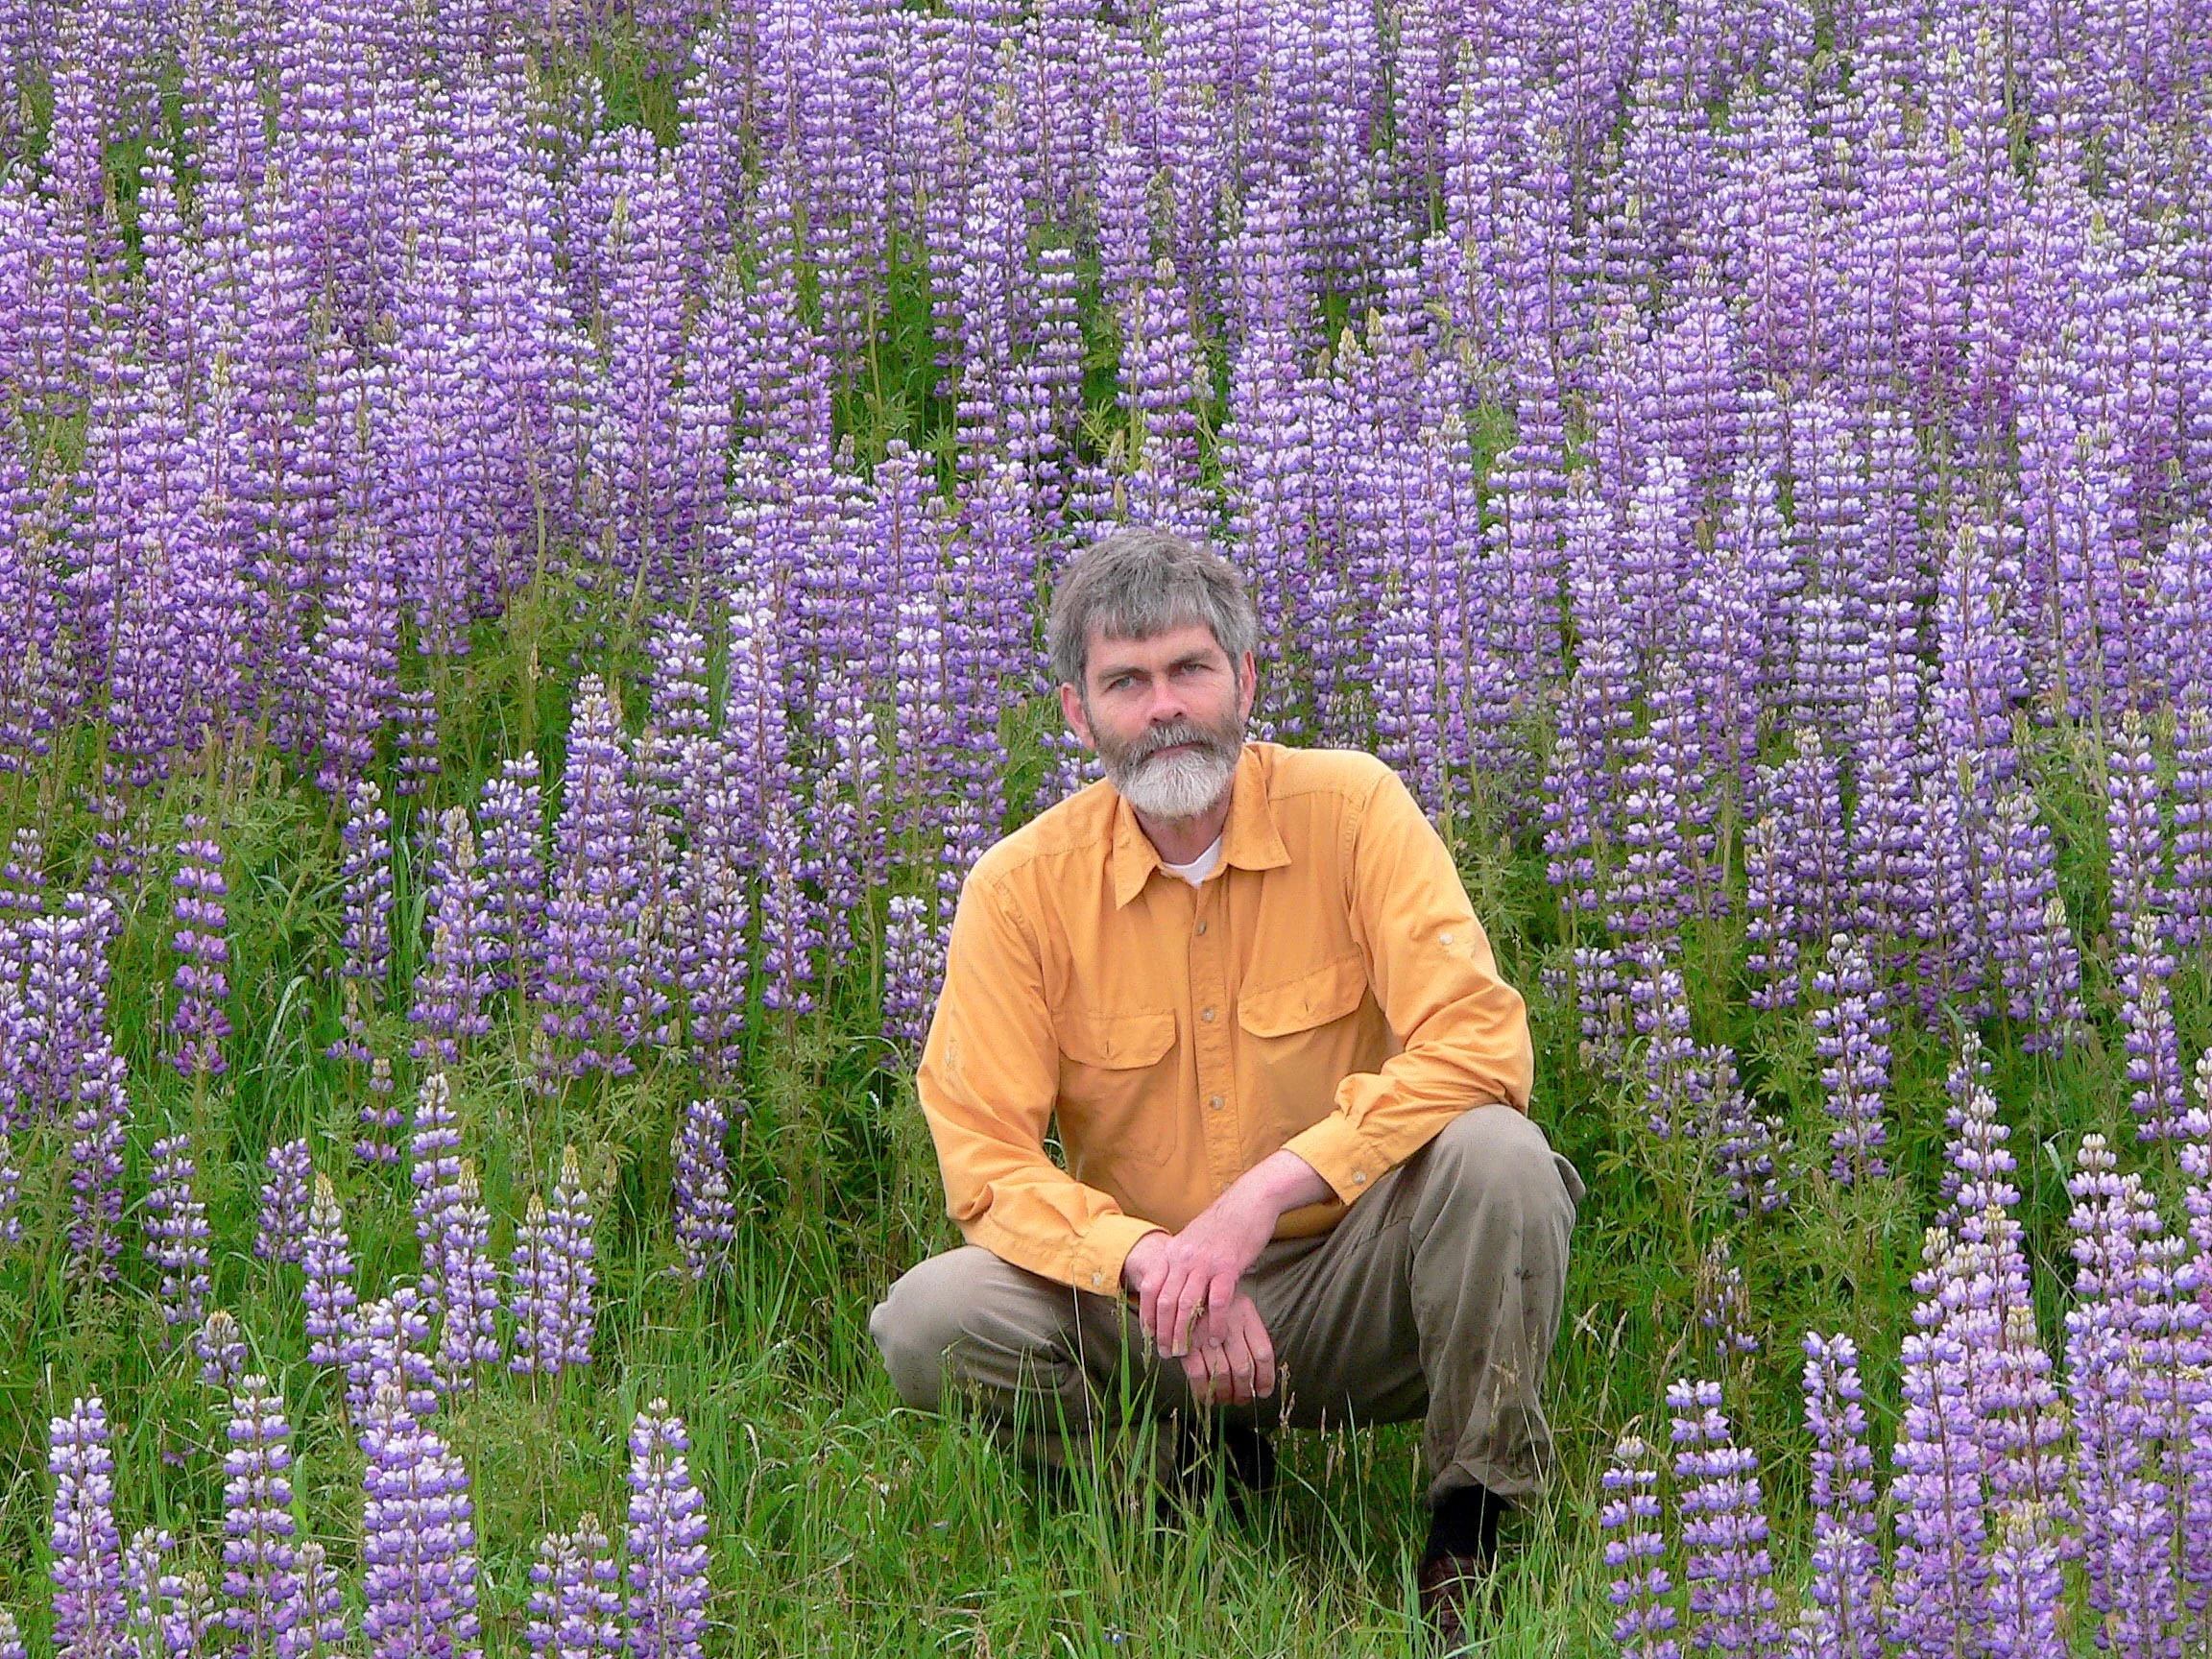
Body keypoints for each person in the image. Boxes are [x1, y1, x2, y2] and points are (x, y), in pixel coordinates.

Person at [869, 526, 1581, 1646]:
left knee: (1499, 1158)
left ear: (1246, 679)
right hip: (1149, 1306)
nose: (1164, 708)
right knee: (932, 1318)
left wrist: (1258, 1203)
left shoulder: (1351, 810)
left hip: (1357, 1275)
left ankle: (1473, 1526)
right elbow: (985, 1158)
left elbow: (1479, 1040)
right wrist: (1152, 1263)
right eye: (1127, 681)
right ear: (1078, 712)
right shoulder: (1020, 889)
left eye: (1190, 670)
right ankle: (1181, 1476)